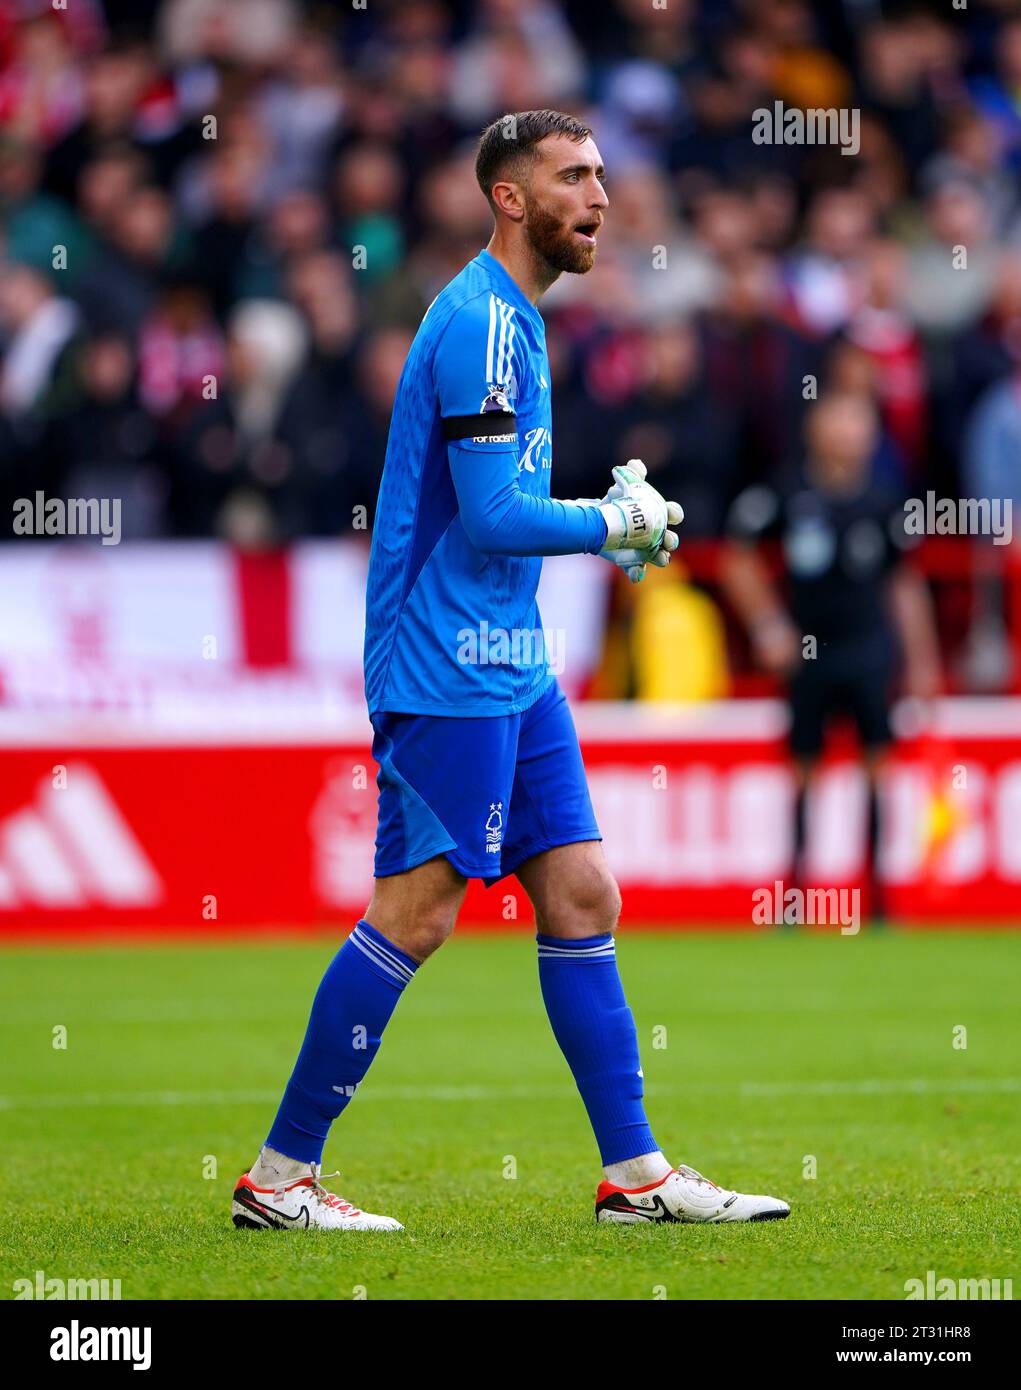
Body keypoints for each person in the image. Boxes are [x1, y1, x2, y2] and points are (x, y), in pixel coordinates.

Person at [232, 109, 790, 1231]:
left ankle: (633, 1176)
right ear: (509, 197)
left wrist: (599, 523)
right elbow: (488, 517)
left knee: (583, 893)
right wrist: (612, 520)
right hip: (442, 662)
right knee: (417, 911)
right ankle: (280, 1177)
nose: (598, 196)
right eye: (572, 177)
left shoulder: (517, 322)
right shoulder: (483, 320)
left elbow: (492, 508)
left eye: (600, 174)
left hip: (510, 662)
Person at [720, 391, 942, 918]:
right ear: (816, 428)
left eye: (861, 422)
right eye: (841, 420)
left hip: (870, 650)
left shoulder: (886, 500)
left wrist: (923, 658)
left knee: (877, 763)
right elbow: (737, 556)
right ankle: (796, 893)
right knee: (803, 764)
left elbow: (904, 583)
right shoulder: (788, 491)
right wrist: (769, 624)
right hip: (809, 655)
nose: (851, 432)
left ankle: (879, 898)